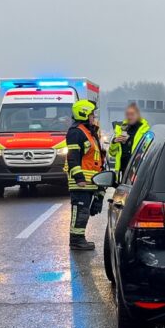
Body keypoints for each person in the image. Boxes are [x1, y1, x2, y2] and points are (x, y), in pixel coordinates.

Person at [65, 99, 104, 251]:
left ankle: (80, 239)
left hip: (90, 182)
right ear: (84, 114)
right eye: (92, 114)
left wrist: (100, 189)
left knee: (84, 212)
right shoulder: (76, 132)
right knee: (79, 211)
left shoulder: (89, 132)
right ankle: (76, 241)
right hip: (80, 182)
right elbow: (73, 157)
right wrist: (79, 178)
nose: (94, 117)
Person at [108, 102, 151, 174]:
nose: (130, 117)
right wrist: (114, 142)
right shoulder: (121, 129)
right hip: (122, 172)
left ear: (138, 115)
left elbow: (148, 152)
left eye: (132, 114)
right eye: (128, 114)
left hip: (137, 171)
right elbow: (112, 153)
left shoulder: (145, 131)